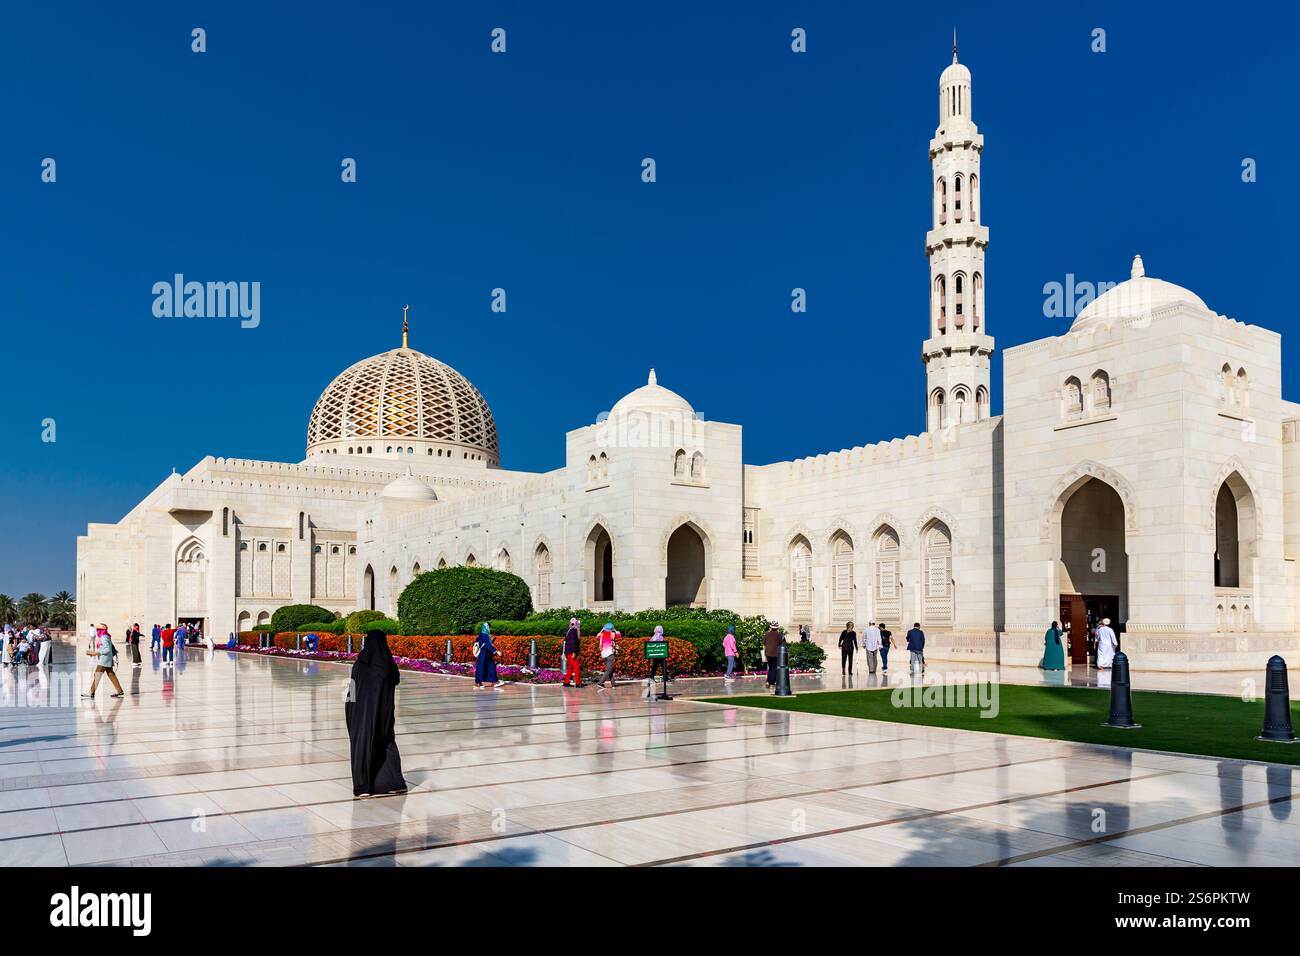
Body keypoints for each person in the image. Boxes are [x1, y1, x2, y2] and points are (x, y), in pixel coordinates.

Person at [345, 628, 406, 799]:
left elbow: (352, 691)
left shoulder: (361, 664)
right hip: (385, 714)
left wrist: (350, 711)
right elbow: (396, 679)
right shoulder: (388, 665)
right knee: (386, 743)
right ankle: (395, 783)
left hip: (363, 715)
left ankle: (363, 786)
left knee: (363, 746)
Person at [82, 624, 124, 698]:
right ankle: (119, 691)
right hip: (106, 659)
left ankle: (91, 693)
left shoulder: (104, 637)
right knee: (111, 674)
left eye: (98, 629)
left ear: (101, 630)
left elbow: (107, 649)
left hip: (104, 660)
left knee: (97, 675)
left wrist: (97, 652)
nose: (97, 631)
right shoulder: (105, 636)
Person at [474, 623, 502, 690]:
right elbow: (487, 645)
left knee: (491, 666)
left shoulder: (484, 635)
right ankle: (478, 683)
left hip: (488, 653)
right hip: (483, 654)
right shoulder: (484, 635)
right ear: (486, 627)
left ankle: (494, 682)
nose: (489, 628)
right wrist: (496, 651)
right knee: (481, 667)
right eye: (489, 627)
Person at [643, 625, 668, 700]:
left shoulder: (653, 637)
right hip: (661, 656)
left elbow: (650, 646)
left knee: (653, 670)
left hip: (655, 657)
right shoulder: (661, 637)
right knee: (663, 668)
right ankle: (665, 677)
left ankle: (651, 680)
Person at [595, 623, 619, 692]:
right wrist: (614, 629)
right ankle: (600, 682)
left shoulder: (602, 634)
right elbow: (619, 634)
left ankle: (613, 683)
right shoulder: (612, 634)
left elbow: (597, 636)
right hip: (610, 654)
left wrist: (602, 629)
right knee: (609, 669)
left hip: (604, 654)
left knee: (610, 668)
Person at [764, 622, 783, 691]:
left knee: (770, 668)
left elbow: (765, 644)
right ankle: (771, 682)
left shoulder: (767, 634)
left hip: (768, 654)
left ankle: (768, 681)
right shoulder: (778, 635)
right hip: (775, 654)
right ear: (777, 628)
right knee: (774, 668)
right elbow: (781, 644)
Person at [562, 618, 581, 687]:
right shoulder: (573, 631)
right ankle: (578, 683)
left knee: (570, 667)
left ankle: (566, 682)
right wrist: (574, 652)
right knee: (576, 667)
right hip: (571, 652)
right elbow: (573, 643)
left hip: (568, 652)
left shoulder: (570, 630)